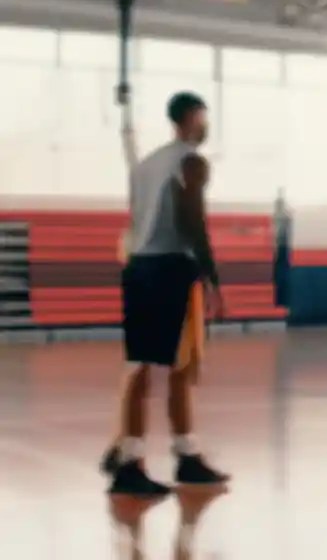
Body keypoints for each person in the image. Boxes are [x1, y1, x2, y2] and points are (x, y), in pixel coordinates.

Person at [101, 92, 230, 496]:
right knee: (180, 365)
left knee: (145, 363)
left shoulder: (145, 165)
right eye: (204, 117)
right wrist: (212, 277)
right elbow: (192, 217)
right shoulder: (190, 161)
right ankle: (138, 459)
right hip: (172, 266)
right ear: (192, 118)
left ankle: (152, 452)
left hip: (138, 266)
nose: (206, 125)